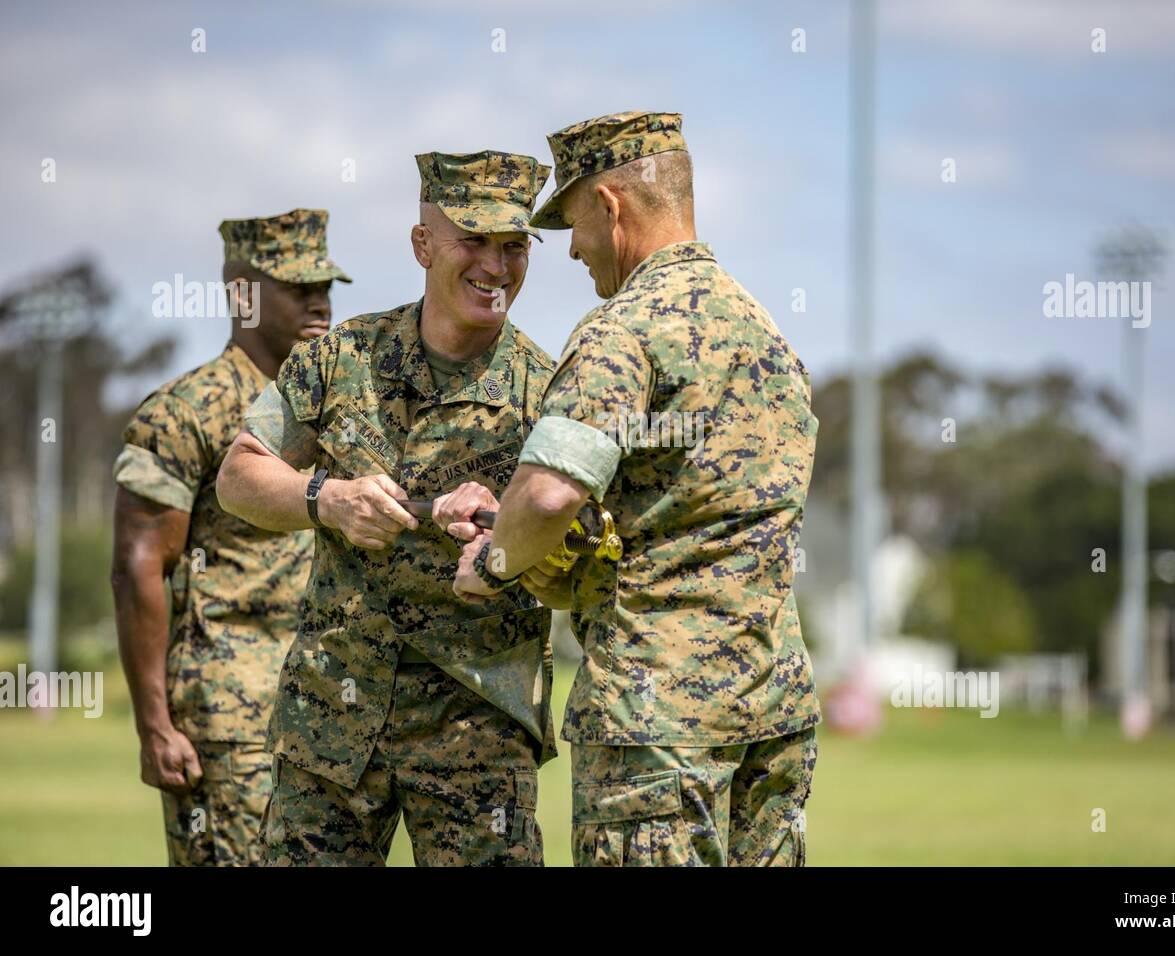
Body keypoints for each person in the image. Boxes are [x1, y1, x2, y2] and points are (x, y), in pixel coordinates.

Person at [454, 112, 821, 866]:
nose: (576, 251)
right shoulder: (767, 333)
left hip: (655, 724)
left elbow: (553, 494)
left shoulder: (625, 330)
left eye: (573, 224)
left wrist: (496, 559)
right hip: (773, 711)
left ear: (610, 206)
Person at [216, 150, 560, 866]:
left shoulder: (550, 391)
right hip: (331, 725)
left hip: (477, 734)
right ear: (423, 244)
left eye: (514, 246)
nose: (496, 268)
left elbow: (576, 540)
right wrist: (326, 498)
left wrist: (507, 538)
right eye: (474, 241)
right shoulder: (340, 359)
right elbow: (239, 475)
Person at [111, 208, 350, 865]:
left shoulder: (334, 403)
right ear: (243, 292)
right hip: (230, 723)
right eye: (297, 286)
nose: (317, 301)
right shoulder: (183, 412)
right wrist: (155, 726)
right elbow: (138, 570)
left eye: (325, 286)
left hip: (327, 710)